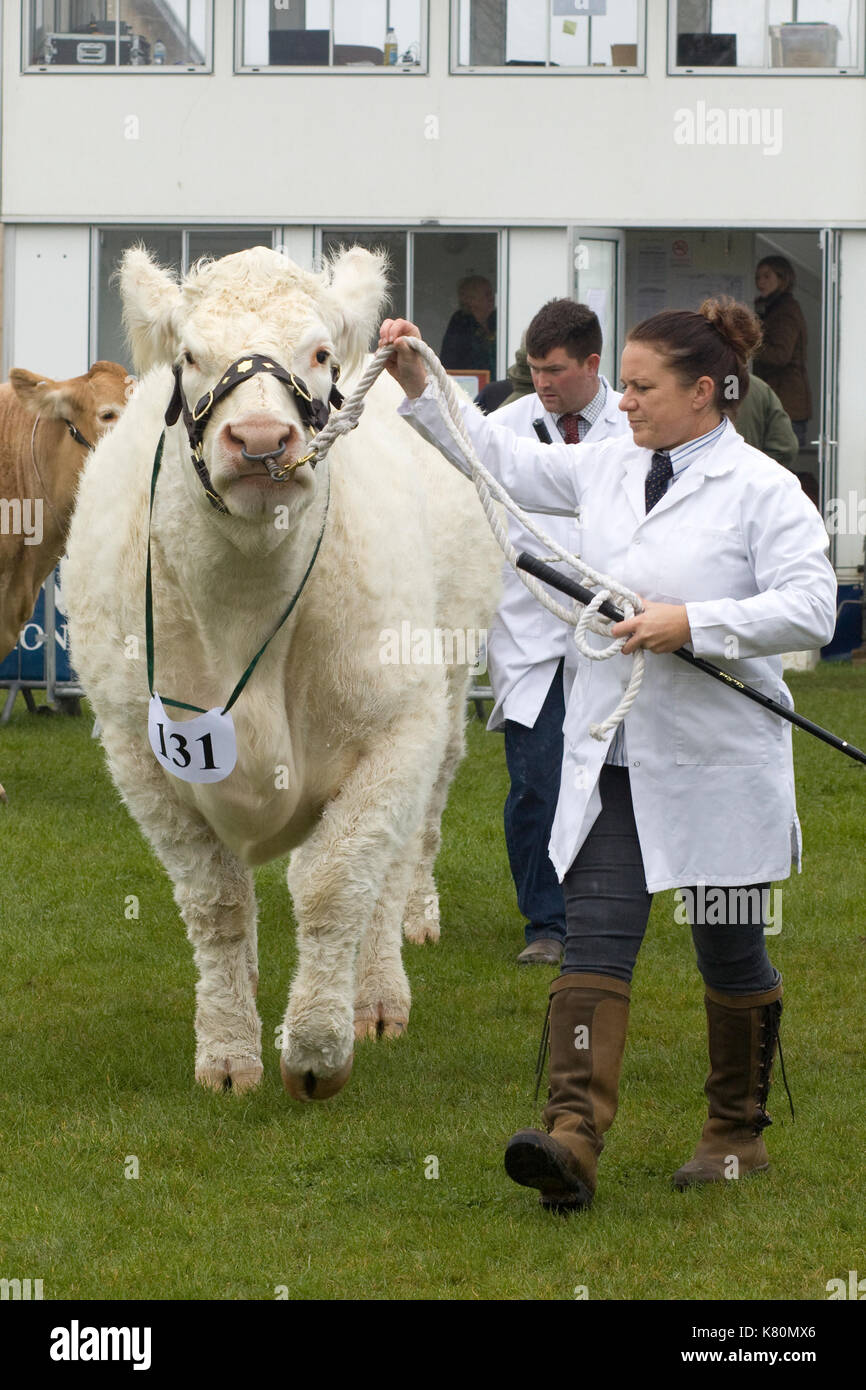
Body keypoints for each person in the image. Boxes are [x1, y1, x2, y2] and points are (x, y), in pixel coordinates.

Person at [380, 299, 836, 1211]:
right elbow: (501, 461)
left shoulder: (762, 490)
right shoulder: (609, 463)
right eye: (620, 383)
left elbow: (812, 608)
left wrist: (693, 623)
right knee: (594, 941)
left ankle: (734, 1132)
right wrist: (416, 381)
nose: (620, 402)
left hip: (718, 762)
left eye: (640, 386)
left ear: (704, 392)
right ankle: (573, 1135)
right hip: (616, 757)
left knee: (731, 953)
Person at [483, 300, 628, 967]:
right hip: (531, 637)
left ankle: (605, 910)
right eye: (534, 368)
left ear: (591, 364)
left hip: (616, 638)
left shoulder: (636, 426)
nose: (541, 381)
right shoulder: (503, 428)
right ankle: (545, 924)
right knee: (537, 779)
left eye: (555, 369)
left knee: (610, 782)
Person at [753, 256, 812, 449]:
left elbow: (780, 355)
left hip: (787, 402)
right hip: (783, 401)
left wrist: (747, 347)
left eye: (767, 276)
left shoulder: (785, 310)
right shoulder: (770, 307)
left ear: (783, 279)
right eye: (758, 277)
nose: (760, 282)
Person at [733, 370, 800, 472]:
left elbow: (785, 446)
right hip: (750, 478)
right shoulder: (758, 386)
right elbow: (786, 447)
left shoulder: (703, 386)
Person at [440, 275, 497, 376]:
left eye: (491, 293)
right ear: (470, 299)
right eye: (487, 294)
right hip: (469, 383)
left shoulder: (498, 318)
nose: (491, 298)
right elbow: (449, 360)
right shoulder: (460, 321)